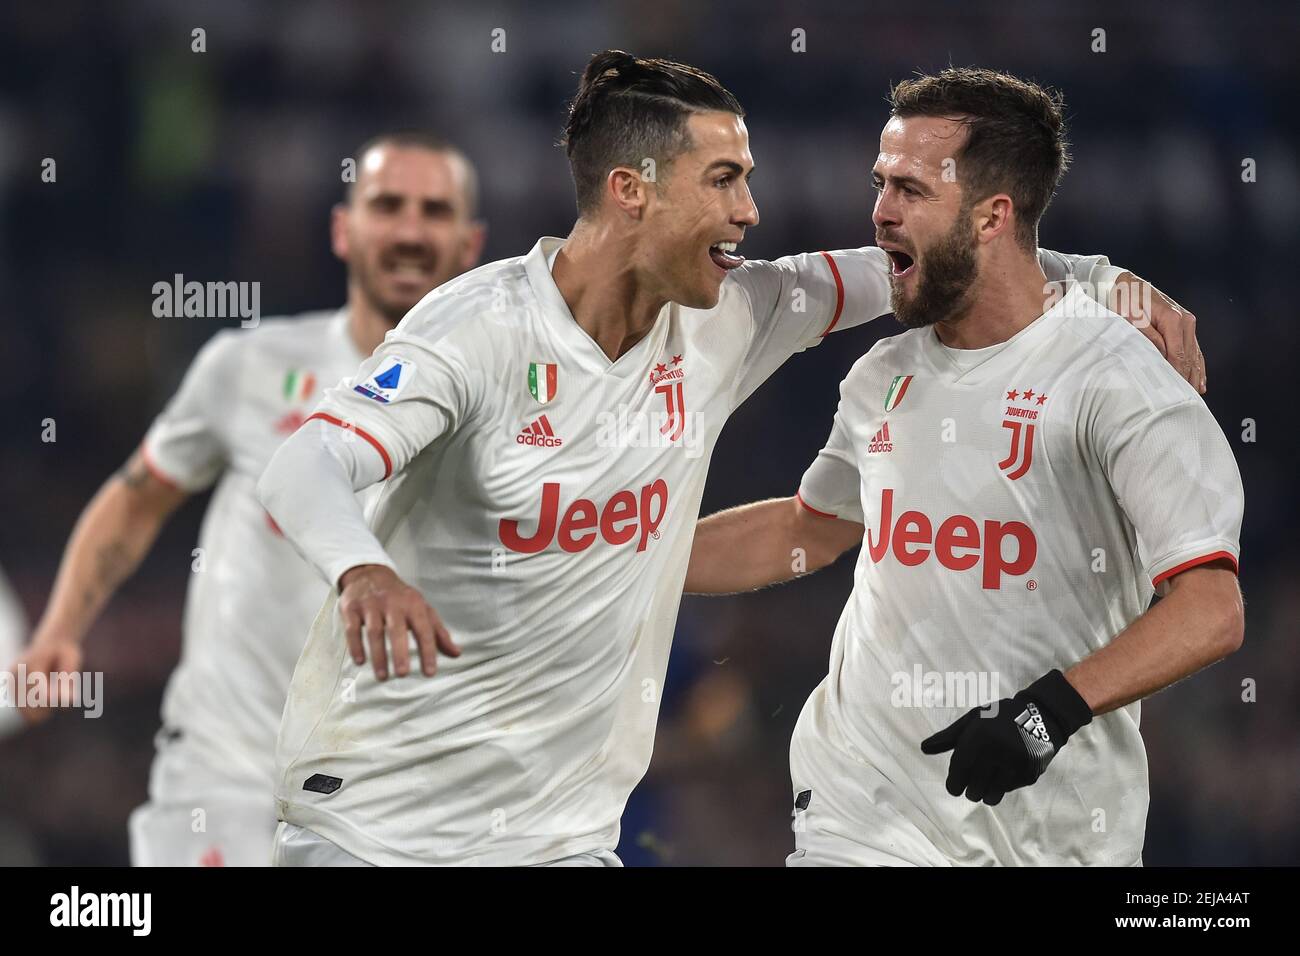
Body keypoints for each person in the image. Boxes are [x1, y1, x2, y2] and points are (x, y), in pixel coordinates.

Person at [258, 51, 1200, 867]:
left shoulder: (731, 316)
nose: (751, 210)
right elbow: (306, 466)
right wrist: (362, 568)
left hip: (563, 840)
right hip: (374, 824)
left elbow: (932, 262)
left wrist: (1097, 277)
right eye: (722, 179)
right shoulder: (480, 332)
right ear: (633, 190)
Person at [684, 68, 1243, 866]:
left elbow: (1211, 608)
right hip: (862, 815)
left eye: (909, 189)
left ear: (992, 216)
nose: (879, 213)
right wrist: (628, 555)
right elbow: (809, 530)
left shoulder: (1119, 376)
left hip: (1057, 833)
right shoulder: (883, 373)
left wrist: (1046, 713)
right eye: (880, 184)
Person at [13, 132, 485, 865]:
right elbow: (138, 499)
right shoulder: (249, 366)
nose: (410, 230)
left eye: (434, 210)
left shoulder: (499, 412)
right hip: (224, 776)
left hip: (388, 798)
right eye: (387, 204)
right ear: (343, 228)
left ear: (470, 243)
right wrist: (61, 628)